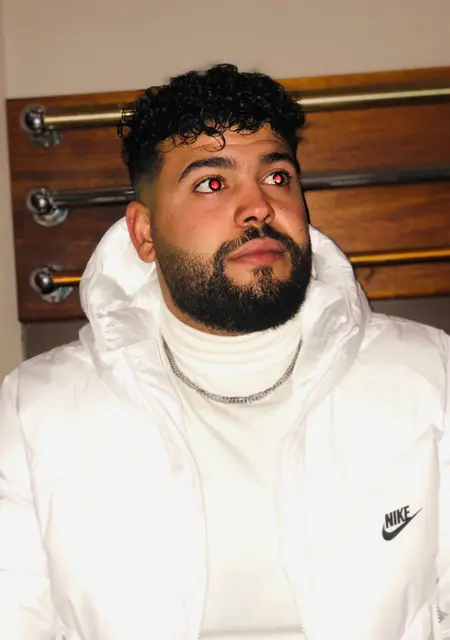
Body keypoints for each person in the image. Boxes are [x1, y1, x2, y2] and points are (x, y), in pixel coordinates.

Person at [0, 63, 449, 640]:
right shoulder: (35, 411)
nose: (258, 207)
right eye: (212, 183)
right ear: (144, 233)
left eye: (278, 176)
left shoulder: (428, 375)